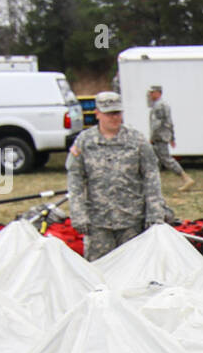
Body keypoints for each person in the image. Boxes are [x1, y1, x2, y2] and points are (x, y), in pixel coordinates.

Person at [66, 91, 168, 261]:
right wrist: (78, 213)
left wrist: (155, 212)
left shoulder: (137, 140)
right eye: (109, 113)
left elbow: (151, 177)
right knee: (99, 272)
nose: (114, 118)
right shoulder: (84, 141)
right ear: (97, 113)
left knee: (133, 270)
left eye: (117, 113)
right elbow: (75, 179)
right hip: (98, 222)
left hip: (132, 220)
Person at [146, 85, 193, 189]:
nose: (150, 95)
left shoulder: (159, 106)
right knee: (152, 159)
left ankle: (186, 178)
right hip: (161, 136)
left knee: (166, 159)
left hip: (159, 137)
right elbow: (169, 123)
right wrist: (172, 137)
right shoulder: (161, 105)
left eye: (152, 92)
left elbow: (157, 125)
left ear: (158, 93)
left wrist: (151, 138)